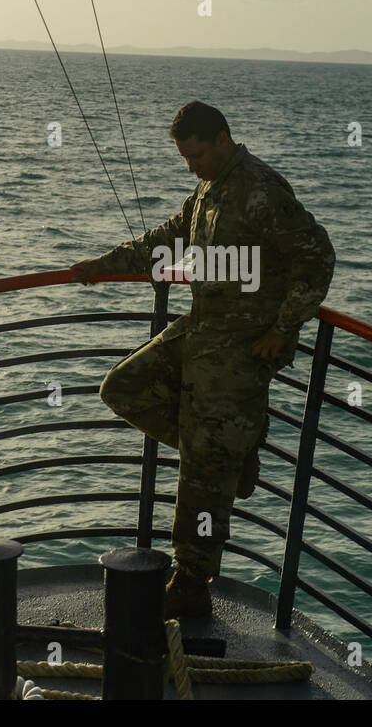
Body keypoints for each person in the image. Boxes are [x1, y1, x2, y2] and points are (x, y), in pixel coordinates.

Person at [70, 100, 335, 620]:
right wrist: (103, 265)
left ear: (221, 139)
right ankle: (229, 456)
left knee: (199, 471)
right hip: (201, 330)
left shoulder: (261, 191)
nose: (191, 167)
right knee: (122, 388)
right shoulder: (208, 189)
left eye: (196, 156)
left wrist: (283, 329)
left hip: (239, 350)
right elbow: (167, 238)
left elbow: (317, 257)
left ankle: (191, 581)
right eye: (184, 160)